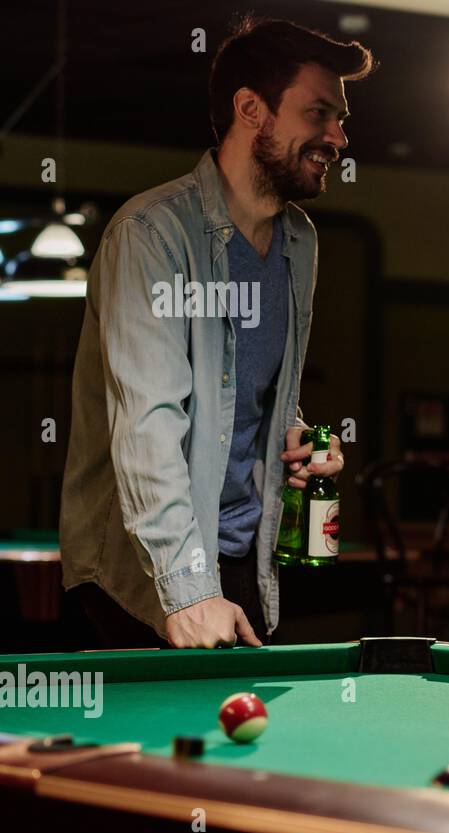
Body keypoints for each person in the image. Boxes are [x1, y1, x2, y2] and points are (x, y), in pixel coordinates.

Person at [60, 17, 375, 649]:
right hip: (143, 577)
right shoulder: (150, 234)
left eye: (340, 118)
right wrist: (190, 589)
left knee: (238, 749)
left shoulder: (299, 243)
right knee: (146, 753)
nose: (338, 137)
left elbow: (245, 389)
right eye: (318, 113)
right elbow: (147, 423)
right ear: (251, 109)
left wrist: (296, 437)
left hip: (241, 563)